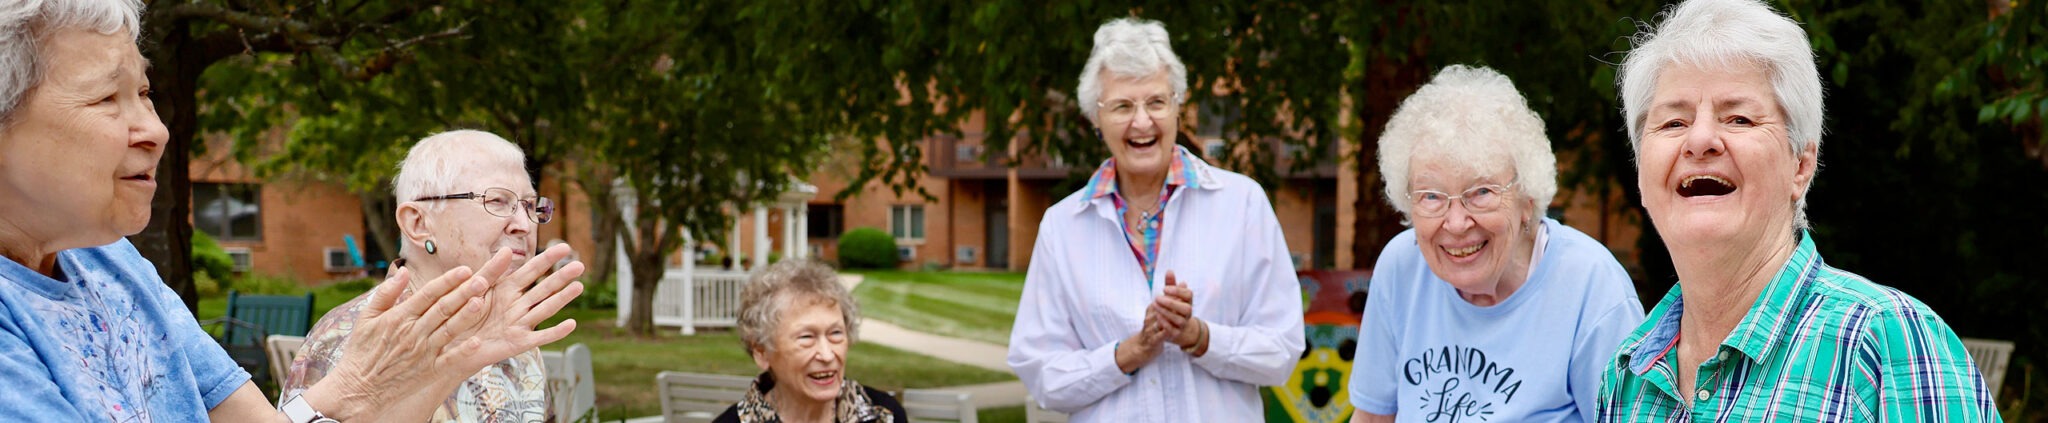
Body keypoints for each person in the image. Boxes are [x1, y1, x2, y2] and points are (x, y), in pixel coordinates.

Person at [0, 0, 584, 421]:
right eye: (107, 97)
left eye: (146, 94)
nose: (154, 130)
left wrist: (426, 373)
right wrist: (364, 385)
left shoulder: (113, 263)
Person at [1597, 0, 2000, 421]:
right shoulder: (1627, 377)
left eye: (1738, 119)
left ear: (1801, 166)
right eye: (1673, 123)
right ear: (1642, 174)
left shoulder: (1887, 341)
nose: (1700, 140)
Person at [1006, 17, 1305, 422]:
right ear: (1096, 119)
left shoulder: (1242, 203)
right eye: (1122, 106)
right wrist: (1131, 352)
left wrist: (1199, 336)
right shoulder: (1062, 227)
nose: (1142, 122)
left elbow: (1282, 351)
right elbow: (1043, 375)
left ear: (1178, 107)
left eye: (1156, 102)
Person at [1345, 65, 1645, 423]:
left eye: (1482, 192)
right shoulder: (1401, 267)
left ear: (1527, 199)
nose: (1456, 223)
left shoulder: (1590, 285)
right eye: (1431, 196)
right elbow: (1374, 417)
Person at [285, 129, 581, 422]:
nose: (524, 225)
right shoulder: (357, 340)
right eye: (497, 201)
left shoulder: (512, 329)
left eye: (530, 206)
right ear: (418, 223)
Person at [716, 259, 906, 423]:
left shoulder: (883, 414)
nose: (827, 354)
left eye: (835, 333)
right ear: (761, 351)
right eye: (806, 337)